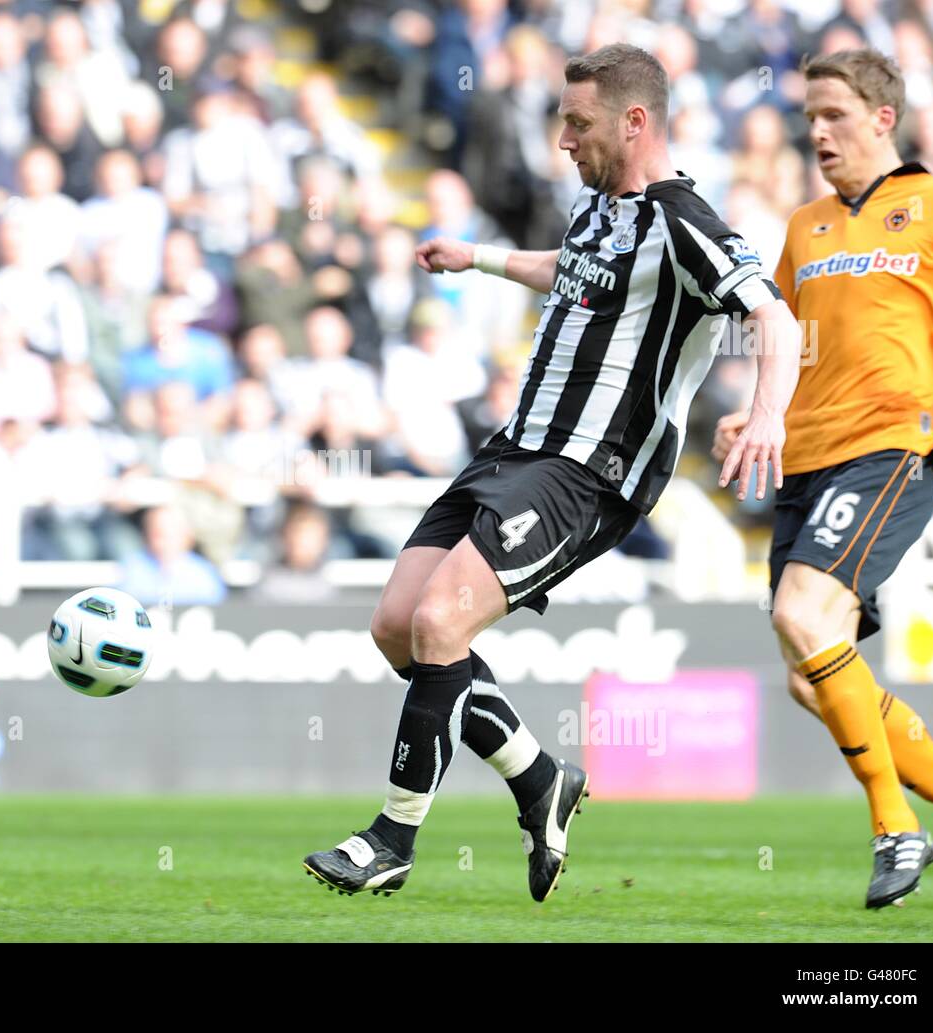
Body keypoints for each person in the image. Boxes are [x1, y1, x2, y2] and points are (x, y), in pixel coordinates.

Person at [302, 43, 801, 903]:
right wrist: (480, 258)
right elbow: (569, 274)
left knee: (440, 618)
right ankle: (540, 781)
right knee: (397, 627)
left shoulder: (685, 220)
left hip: (590, 469)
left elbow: (776, 317)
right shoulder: (597, 205)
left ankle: (390, 837)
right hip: (514, 447)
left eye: (579, 122)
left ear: (634, 121)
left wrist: (767, 414)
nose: (562, 140)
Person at [711, 48, 933, 909]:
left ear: (883, 119)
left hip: (892, 444)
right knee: (805, 667)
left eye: (834, 116)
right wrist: (758, 410)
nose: (817, 132)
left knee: (800, 614)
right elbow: (780, 339)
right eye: (809, 117)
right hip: (805, 458)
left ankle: (896, 826)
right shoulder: (805, 226)